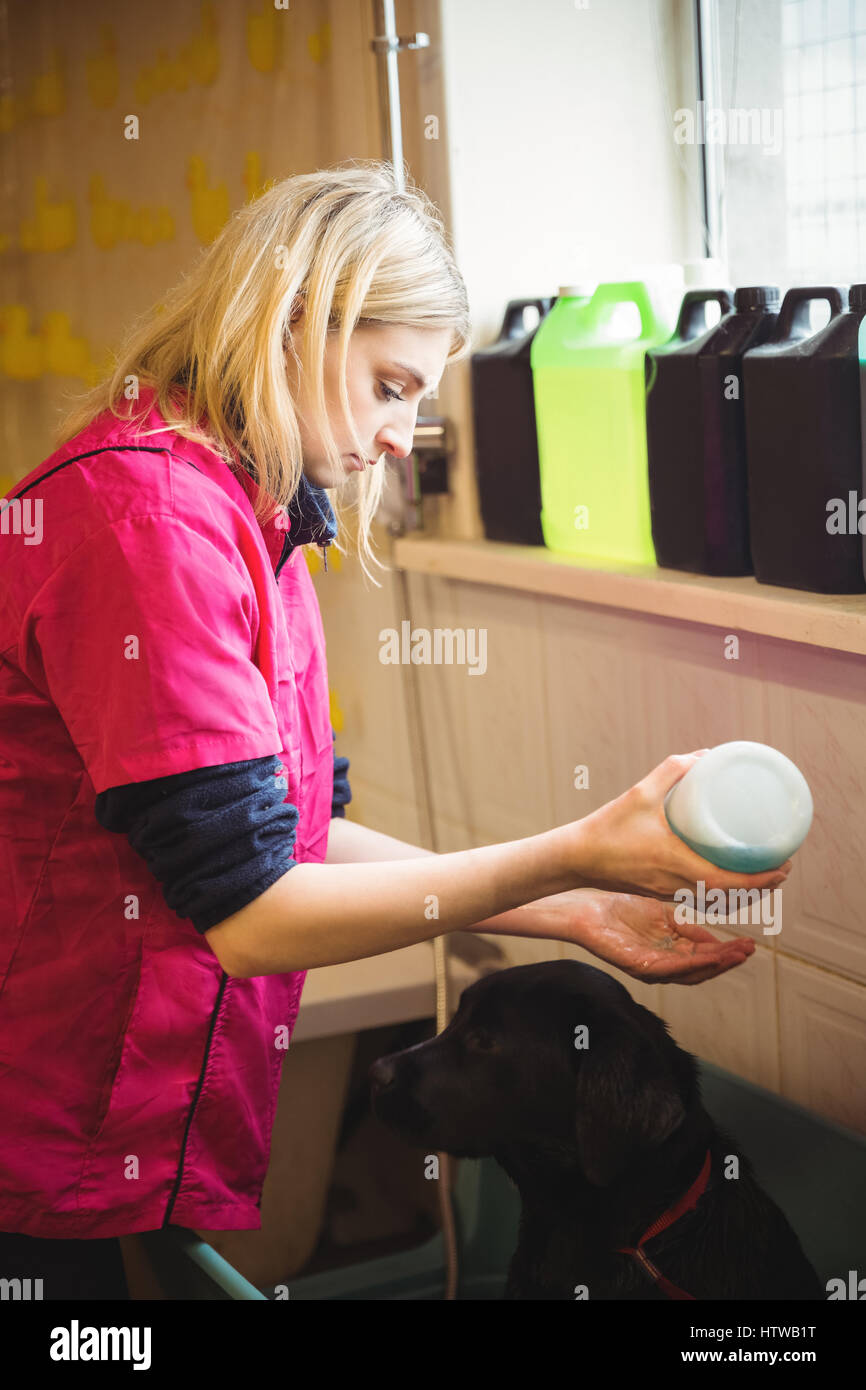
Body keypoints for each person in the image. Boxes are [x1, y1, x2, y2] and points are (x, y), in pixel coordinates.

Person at [0, 159, 790, 1301]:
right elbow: (256, 915)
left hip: (84, 1110)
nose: (399, 435)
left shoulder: (249, 518)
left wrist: (566, 908)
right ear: (288, 321)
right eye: (387, 384)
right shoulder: (149, 523)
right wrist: (574, 847)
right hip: (36, 1094)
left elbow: (295, 837)